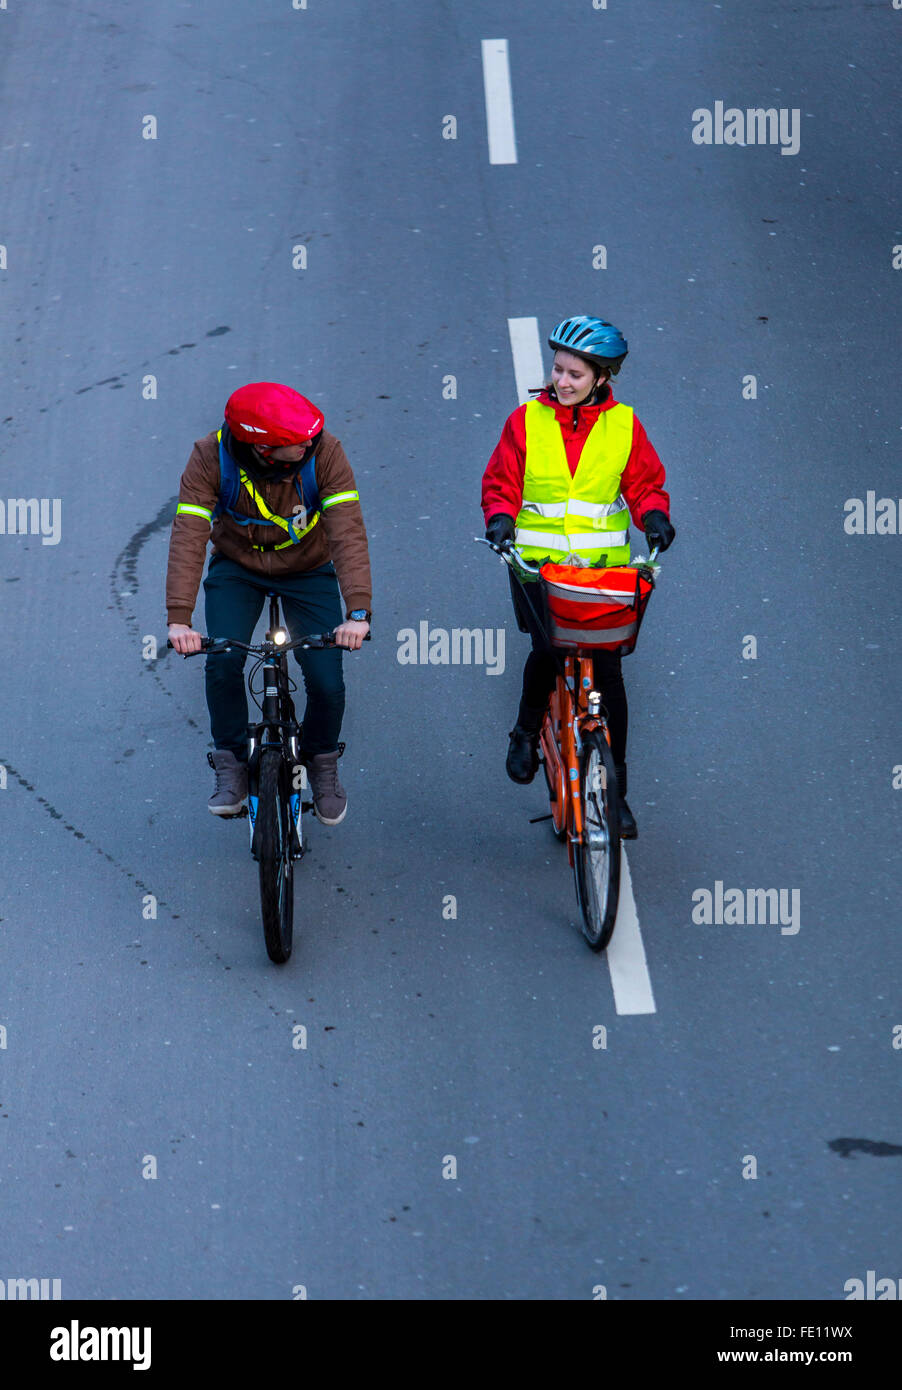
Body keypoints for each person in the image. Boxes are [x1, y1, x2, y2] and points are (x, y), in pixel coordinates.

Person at [481, 315, 675, 838]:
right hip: (537, 569)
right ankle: (524, 732)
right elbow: (501, 482)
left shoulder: (624, 425)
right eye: (558, 370)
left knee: (608, 671)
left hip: (602, 572)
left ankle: (618, 796)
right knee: (548, 651)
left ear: (602, 378)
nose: (561, 382)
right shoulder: (526, 421)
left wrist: (654, 515)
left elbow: (644, 484)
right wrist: (499, 519)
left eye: (575, 375)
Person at [166, 381, 372, 824]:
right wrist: (179, 620)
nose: (308, 444)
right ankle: (232, 764)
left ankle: (321, 761)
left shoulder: (325, 450)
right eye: (295, 442)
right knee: (221, 661)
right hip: (239, 567)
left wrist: (357, 613)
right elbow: (189, 536)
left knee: (327, 680)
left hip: (309, 568)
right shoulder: (209, 457)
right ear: (262, 448)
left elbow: (347, 531)